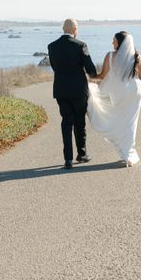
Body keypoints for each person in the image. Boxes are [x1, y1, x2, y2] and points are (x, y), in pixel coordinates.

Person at [88, 31, 141, 167]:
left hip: (119, 92)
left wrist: (89, 78)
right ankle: (128, 152)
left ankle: (125, 152)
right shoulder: (137, 57)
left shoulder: (110, 56)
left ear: (120, 42)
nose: (112, 43)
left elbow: (101, 76)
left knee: (118, 119)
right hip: (135, 91)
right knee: (131, 122)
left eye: (114, 40)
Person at [46, 19, 97, 169]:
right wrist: (96, 77)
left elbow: (54, 67)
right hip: (78, 89)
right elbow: (90, 68)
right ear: (75, 29)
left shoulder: (52, 46)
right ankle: (82, 154)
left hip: (61, 89)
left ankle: (67, 159)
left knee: (66, 122)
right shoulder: (81, 45)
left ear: (63, 29)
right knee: (79, 121)